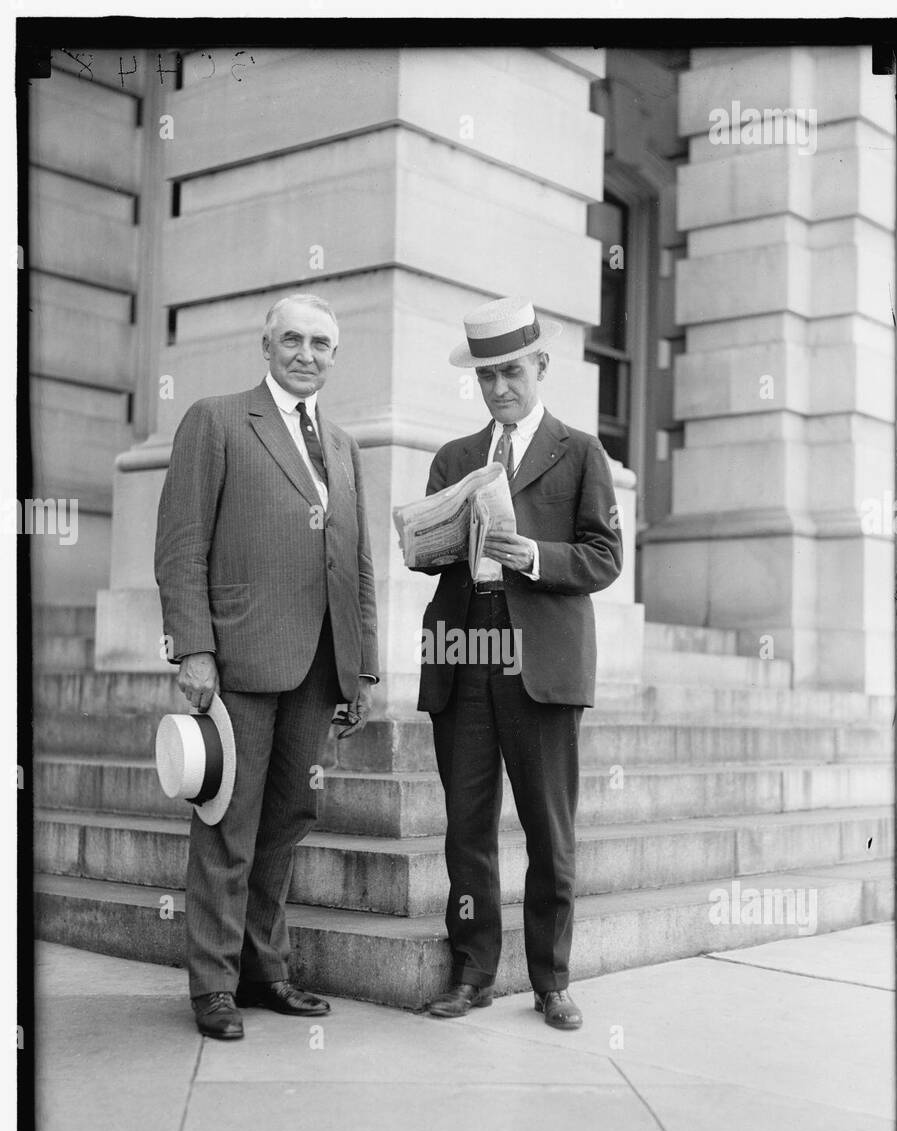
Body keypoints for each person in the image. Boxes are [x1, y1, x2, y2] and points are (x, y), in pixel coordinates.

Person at [154, 293, 379, 1040]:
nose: (305, 353)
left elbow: (359, 569)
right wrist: (193, 648)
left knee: (288, 819)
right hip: (241, 663)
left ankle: (264, 971)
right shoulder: (216, 421)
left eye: (320, 343)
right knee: (228, 824)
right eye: (291, 340)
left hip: (320, 669)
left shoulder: (344, 446)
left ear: (335, 356)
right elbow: (181, 546)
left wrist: (364, 672)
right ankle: (212, 987)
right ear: (265, 346)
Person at [417, 296, 622, 1029]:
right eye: (485, 378)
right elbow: (428, 557)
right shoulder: (454, 458)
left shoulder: (579, 452)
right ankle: (470, 973)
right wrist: (430, 544)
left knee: (548, 828)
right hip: (463, 649)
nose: (499, 389)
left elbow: (604, 556)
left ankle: (550, 980)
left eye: (510, 372)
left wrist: (532, 555)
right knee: (466, 828)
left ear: (539, 366)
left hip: (541, 659)